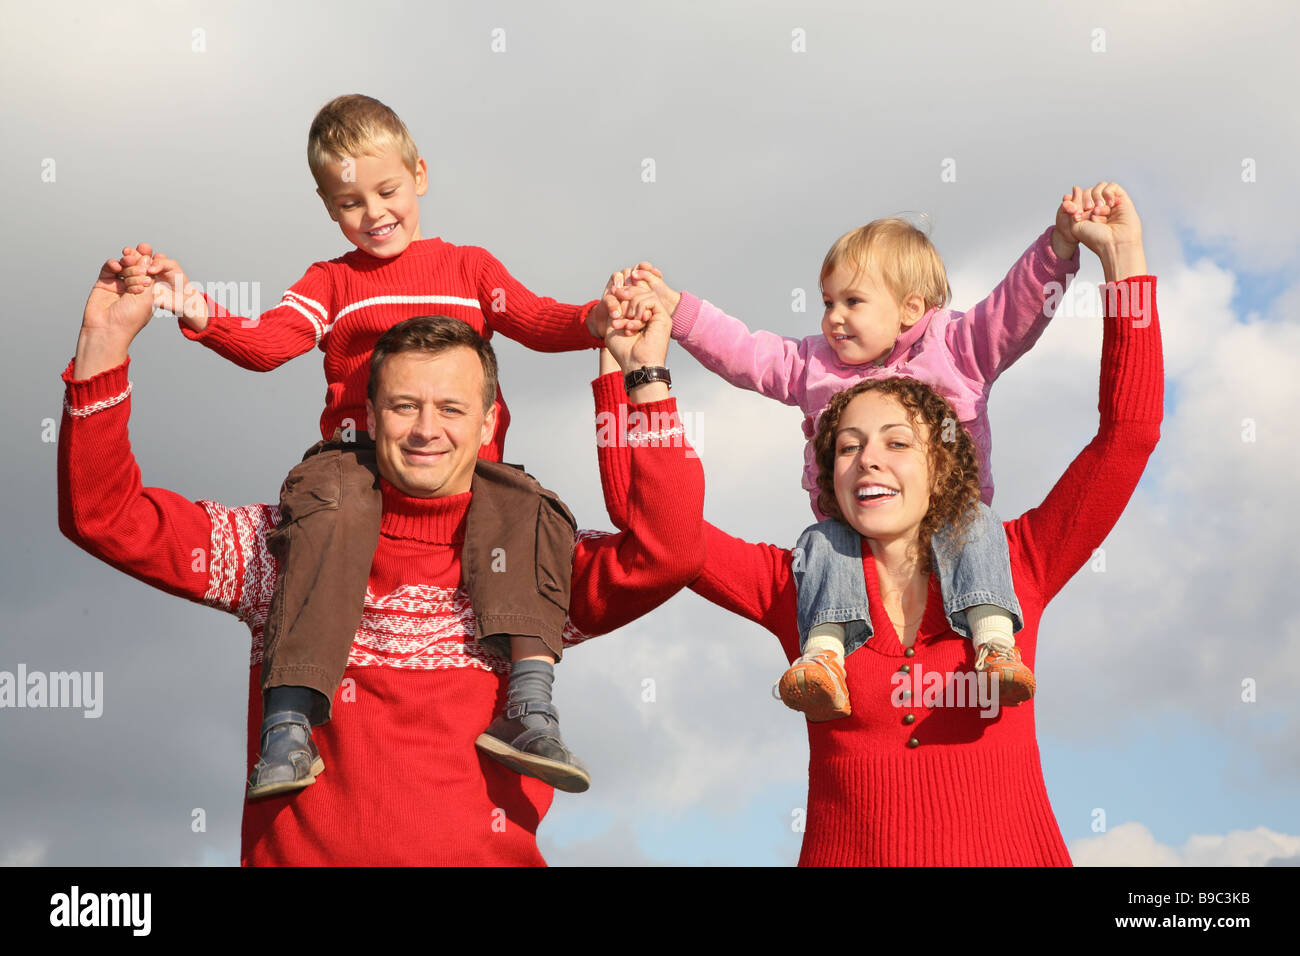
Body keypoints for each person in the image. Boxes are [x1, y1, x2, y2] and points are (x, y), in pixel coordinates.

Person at [57, 252, 701, 865]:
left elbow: (668, 554)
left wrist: (645, 380)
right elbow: (104, 516)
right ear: (369, 414)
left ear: (487, 423)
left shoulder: (536, 557)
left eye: (451, 408)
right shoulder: (287, 545)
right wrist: (103, 346)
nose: (426, 429)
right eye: (404, 405)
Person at [606, 183, 1159, 864]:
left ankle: (993, 642)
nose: (868, 459)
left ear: (943, 459)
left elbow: (1128, 434)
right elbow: (650, 524)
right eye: (846, 446)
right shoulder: (803, 583)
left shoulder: (1020, 561)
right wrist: (639, 379)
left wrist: (1122, 262)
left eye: (897, 442)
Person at [119, 93, 627, 797]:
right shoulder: (332, 282)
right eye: (350, 202)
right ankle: (289, 724)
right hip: (357, 462)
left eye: (387, 191)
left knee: (531, 509)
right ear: (328, 207)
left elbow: (536, 319)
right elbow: (271, 344)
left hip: (467, 467)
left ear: (420, 174)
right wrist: (199, 310)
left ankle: (530, 706)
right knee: (325, 515)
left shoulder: (469, 268)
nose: (374, 213)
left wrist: (596, 318)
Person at [610, 190, 1096, 720]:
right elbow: (746, 352)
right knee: (823, 543)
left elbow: (1013, 309)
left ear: (911, 308)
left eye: (852, 302)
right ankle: (823, 656)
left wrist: (1059, 246)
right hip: (855, 523)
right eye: (827, 303)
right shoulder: (815, 365)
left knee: (979, 527)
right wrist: (676, 308)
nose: (833, 319)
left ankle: (996, 643)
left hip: (950, 514)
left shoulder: (957, 348)